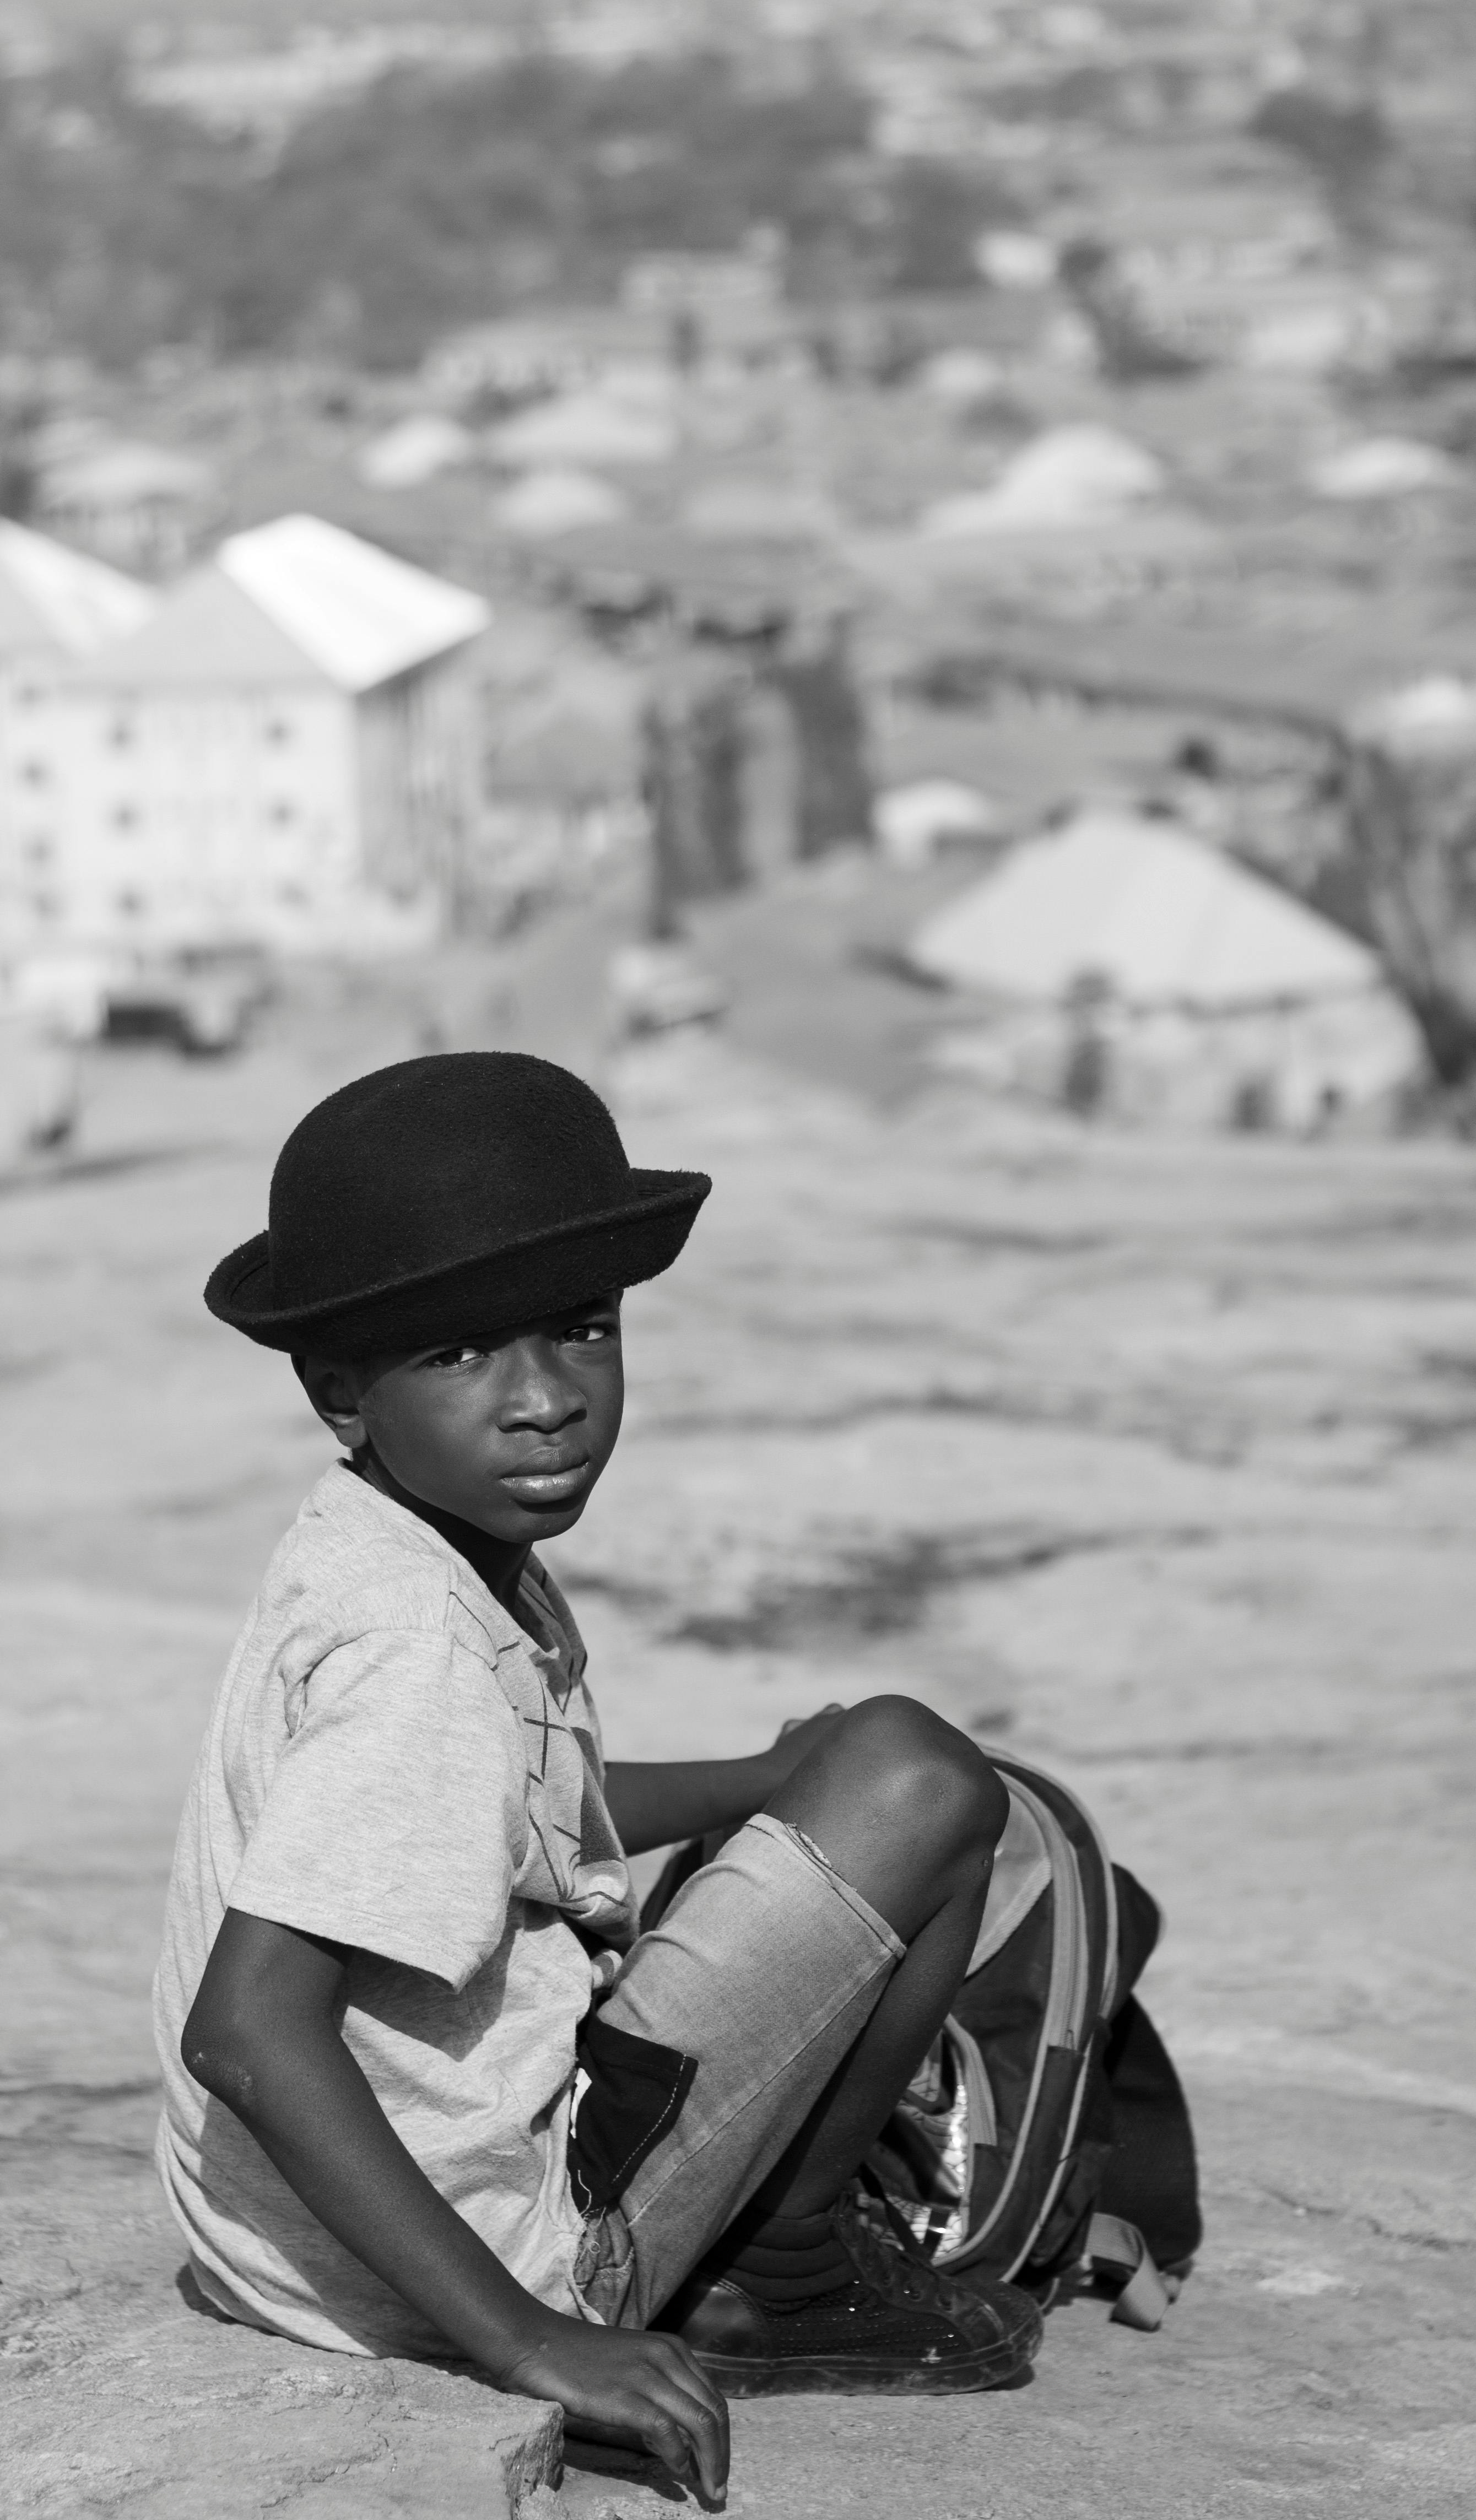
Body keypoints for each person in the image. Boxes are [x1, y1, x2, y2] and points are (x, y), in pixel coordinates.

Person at [154, 1052, 1040, 2505]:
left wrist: (763, 1776)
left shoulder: (391, 1540)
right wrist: (531, 2341)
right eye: (460, 1354)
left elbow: (500, 1803)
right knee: (922, 1780)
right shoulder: (418, 1649)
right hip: (489, 2263)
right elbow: (247, 2030)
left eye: (582, 1331)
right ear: (339, 1390)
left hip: (284, 2252)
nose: (544, 1401)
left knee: (834, 1777)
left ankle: (736, 2237)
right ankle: (782, 2273)